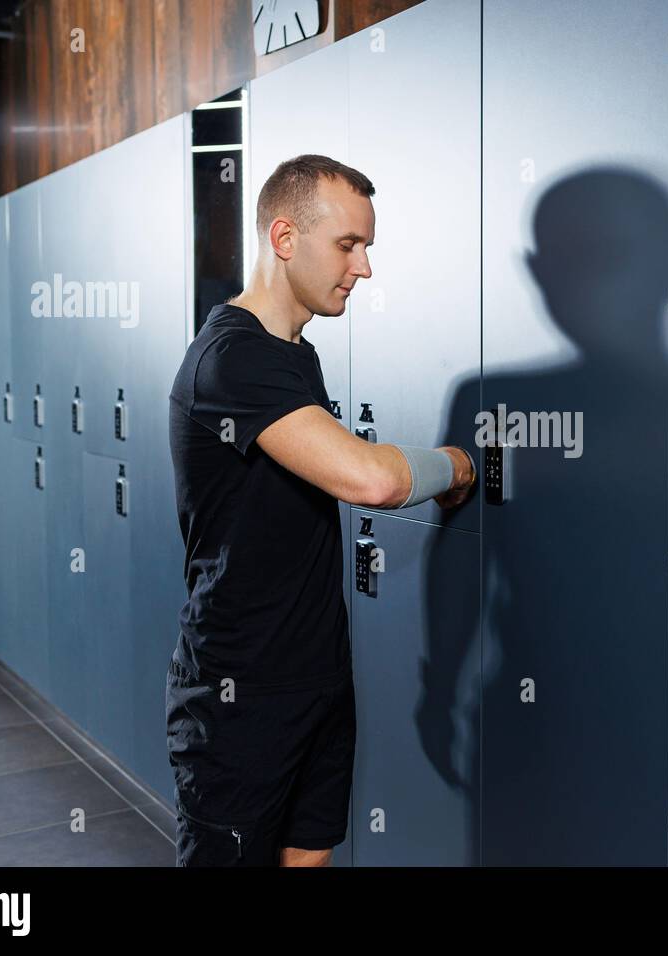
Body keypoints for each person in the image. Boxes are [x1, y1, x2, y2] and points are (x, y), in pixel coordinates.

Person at [165, 154, 476, 866]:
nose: (363, 269)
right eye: (348, 245)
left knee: (309, 855)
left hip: (317, 671)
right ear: (283, 238)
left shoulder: (294, 352)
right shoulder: (233, 357)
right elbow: (369, 481)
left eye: (367, 247)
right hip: (238, 689)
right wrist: (458, 465)